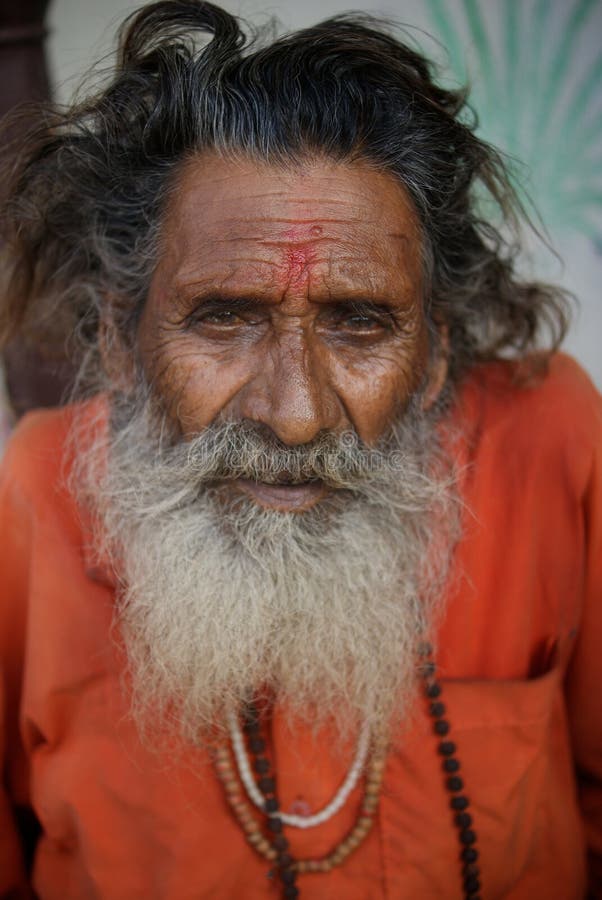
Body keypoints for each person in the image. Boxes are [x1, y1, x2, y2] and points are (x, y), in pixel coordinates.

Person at [0, 2, 600, 898]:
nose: (295, 415)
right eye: (225, 317)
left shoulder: (550, 440)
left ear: (435, 354)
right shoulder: (33, 500)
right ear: (123, 341)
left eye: (360, 324)